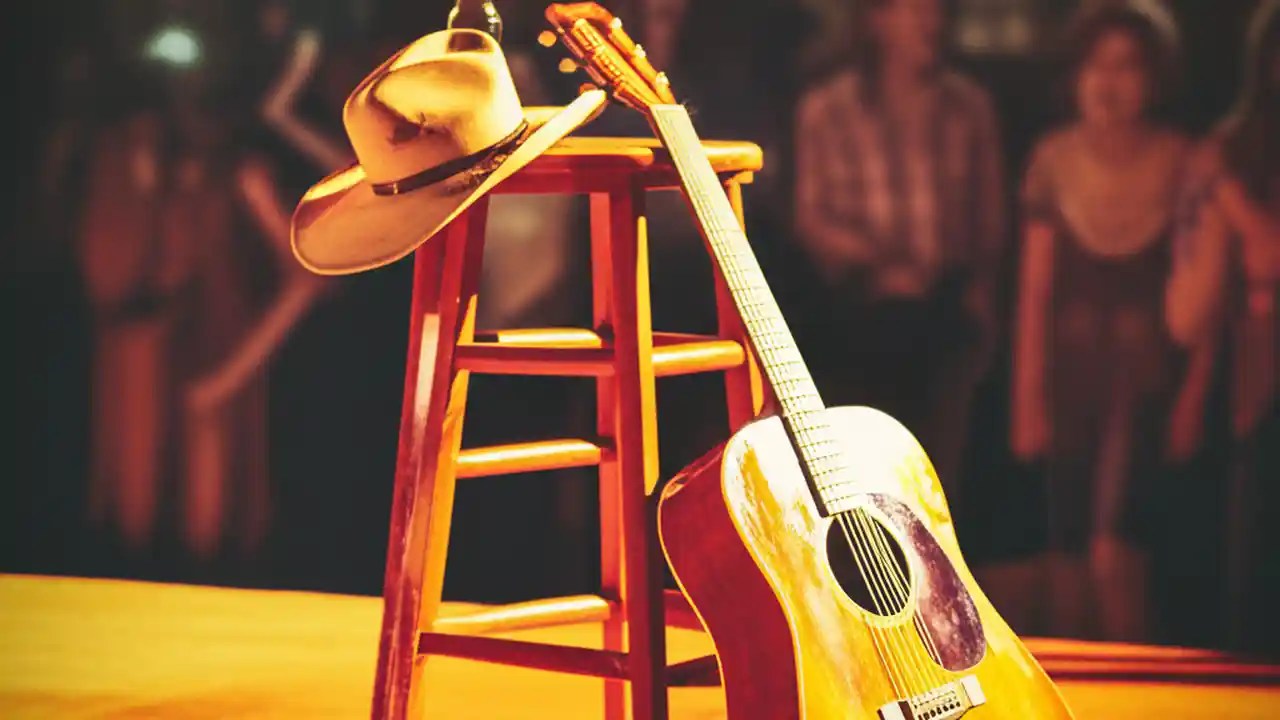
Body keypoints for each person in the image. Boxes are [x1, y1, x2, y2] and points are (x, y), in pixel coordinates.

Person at [1010, 1, 1199, 641]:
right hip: (1069, 380)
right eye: (1096, 65)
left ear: (1155, 77)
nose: (1110, 82)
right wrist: (1027, 399)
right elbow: (1035, 292)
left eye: (1128, 66)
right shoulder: (1053, 158)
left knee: (1117, 550)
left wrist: (1194, 399)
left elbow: (1202, 295)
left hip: (1148, 384)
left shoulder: (1182, 161)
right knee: (1064, 548)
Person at [792, 0, 1005, 498]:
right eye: (913, 10)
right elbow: (812, 218)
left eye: (935, 11)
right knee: (868, 472)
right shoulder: (827, 108)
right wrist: (880, 263)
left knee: (941, 474)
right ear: (876, 20)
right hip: (859, 310)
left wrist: (978, 297)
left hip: (947, 308)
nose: (928, 23)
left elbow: (990, 220)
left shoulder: (968, 107)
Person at [1165, 0, 1280, 653]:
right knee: (1246, 552)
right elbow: (1191, 313)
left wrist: (1235, 203)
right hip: (1251, 381)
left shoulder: (1225, 170)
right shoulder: (1231, 149)